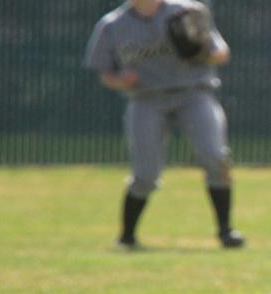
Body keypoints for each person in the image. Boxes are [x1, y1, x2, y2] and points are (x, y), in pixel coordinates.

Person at [85, 0, 245, 250]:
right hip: (147, 99)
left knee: (216, 157)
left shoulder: (188, 11)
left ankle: (226, 231)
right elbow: (105, 73)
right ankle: (127, 237)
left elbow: (221, 52)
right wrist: (119, 80)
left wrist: (203, 51)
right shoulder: (112, 25)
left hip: (194, 94)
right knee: (145, 175)